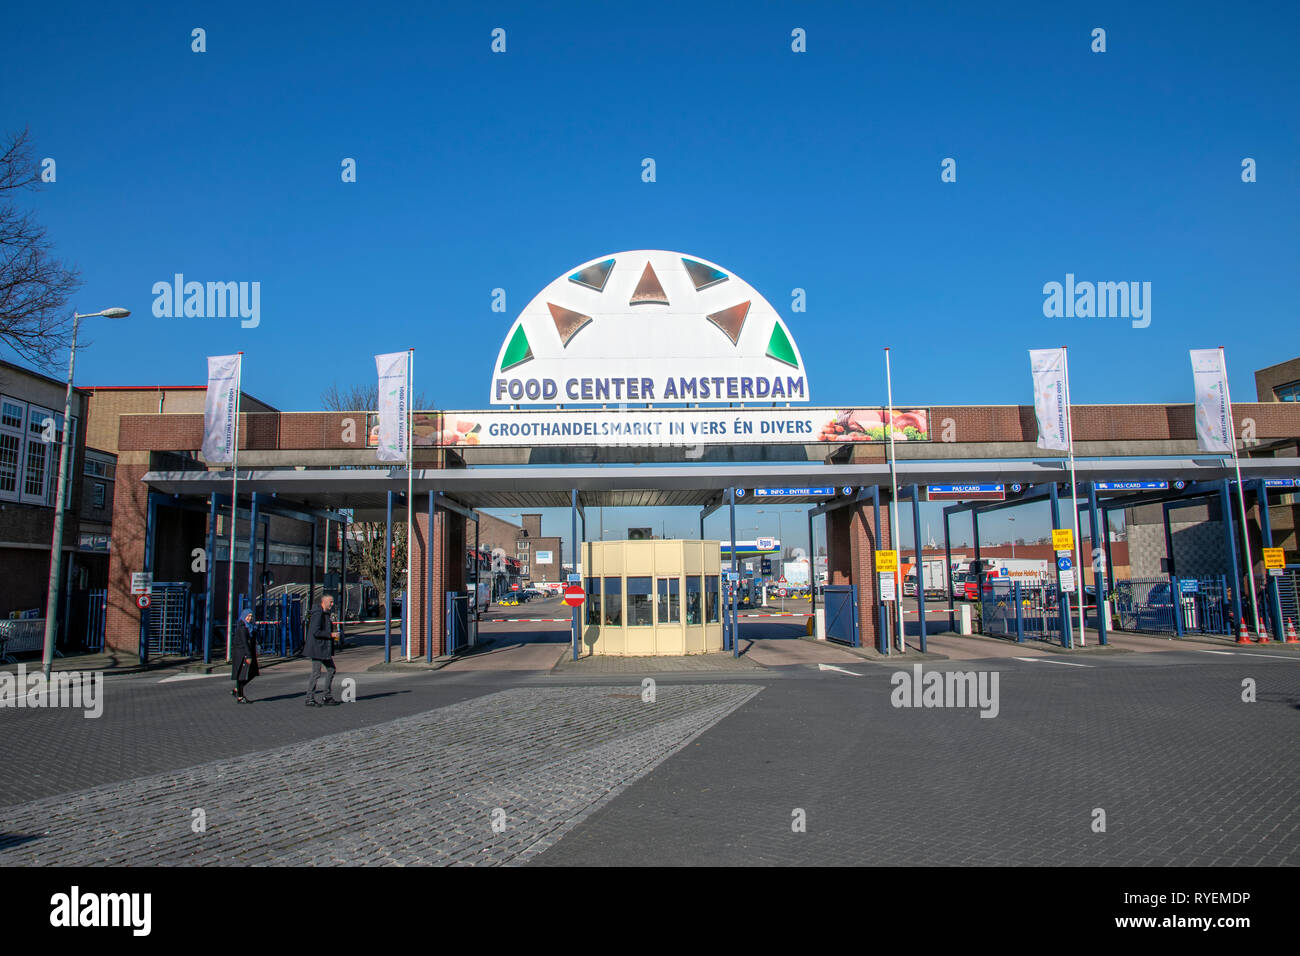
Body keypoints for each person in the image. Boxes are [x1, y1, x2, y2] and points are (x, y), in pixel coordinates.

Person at [305, 594, 340, 707]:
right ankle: (309, 698)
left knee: (331, 669)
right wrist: (330, 634)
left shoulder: (325, 614)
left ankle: (327, 696)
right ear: (324, 602)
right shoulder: (318, 614)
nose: (332, 604)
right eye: (331, 601)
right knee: (316, 673)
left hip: (324, 648)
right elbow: (315, 631)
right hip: (317, 648)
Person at [230, 608, 259, 703]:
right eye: (248, 616)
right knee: (242, 675)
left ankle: (237, 690)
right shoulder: (242, 627)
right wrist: (248, 655)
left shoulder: (250, 626)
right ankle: (240, 697)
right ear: (244, 616)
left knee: (252, 672)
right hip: (241, 654)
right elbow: (244, 642)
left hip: (248, 652)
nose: (250, 618)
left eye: (251, 616)